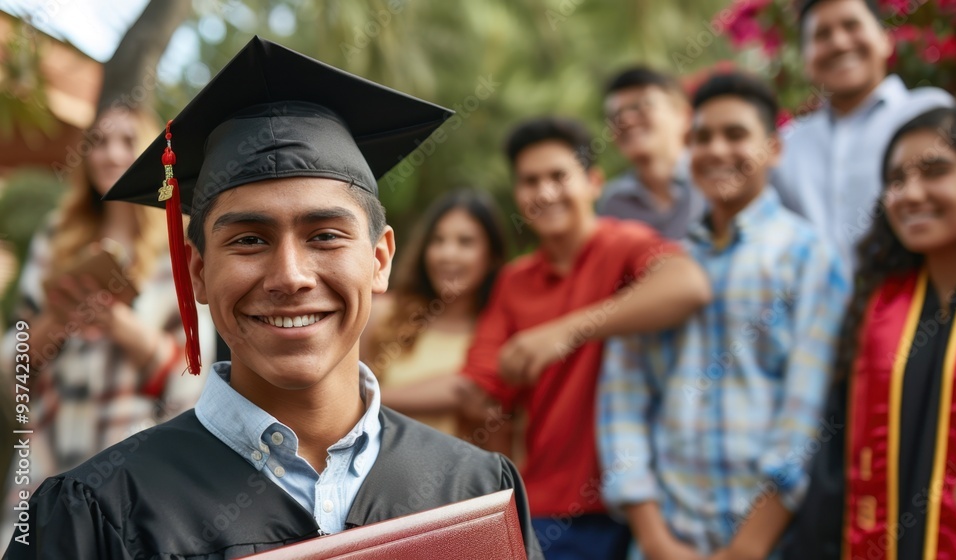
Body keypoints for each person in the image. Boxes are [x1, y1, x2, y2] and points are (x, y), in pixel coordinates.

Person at [4, 37, 541, 559]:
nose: (290, 276)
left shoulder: (475, 491)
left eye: (325, 235)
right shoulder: (97, 512)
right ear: (197, 272)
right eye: (249, 240)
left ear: (380, 260)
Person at [597, 72, 848, 560]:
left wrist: (747, 549)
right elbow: (622, 401)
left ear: (774, 149)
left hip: (773, 545)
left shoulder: (808, 257)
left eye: (736, 135)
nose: (716, 150)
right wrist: (654, 540)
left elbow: (808, 413)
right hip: (659, 542)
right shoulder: (662, 267)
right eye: (703, 137)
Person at [461, 116, 713, 559]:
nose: (544, 193)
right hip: (551, 512)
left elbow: (689, 285)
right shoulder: (514, 282)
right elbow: (483, 387)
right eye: (530, 181)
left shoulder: (623, 244)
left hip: (652, 504)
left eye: (559, 176)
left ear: (594, 182)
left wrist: (567, 331)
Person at [787, 100, 956, 560]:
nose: (911, 194)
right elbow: (833, 469)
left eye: (935, 171)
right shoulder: (875, 310)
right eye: (896, 180)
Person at [0, 104, 212, 545]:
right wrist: (58, 316)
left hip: (130, 465)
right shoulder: (56, 238)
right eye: (98, 141)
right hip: (45, 456)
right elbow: (13, 370)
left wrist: (118, 324)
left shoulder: (179, 247)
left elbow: (193, 383)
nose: (110, 154)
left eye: (127, 141)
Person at [773, 0, 952, 273]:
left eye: (851, 25)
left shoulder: (929, 113)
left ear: (885, 39)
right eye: (821, 35)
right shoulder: (786, 146)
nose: (840, 43)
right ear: (806, 58)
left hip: (916, 304)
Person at [362, 188, 507, 441]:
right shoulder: (383, 313)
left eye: (466, 242)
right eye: (437, 240)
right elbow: (344, 397)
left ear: (492, 256)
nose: (447, 254)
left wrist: (371, 399)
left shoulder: (496, 332)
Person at [599, 67, 707, 239]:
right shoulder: (614, 204)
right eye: (616, 115)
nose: (627, 120)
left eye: (642, 106)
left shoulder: (713, 177)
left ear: (684, 116)